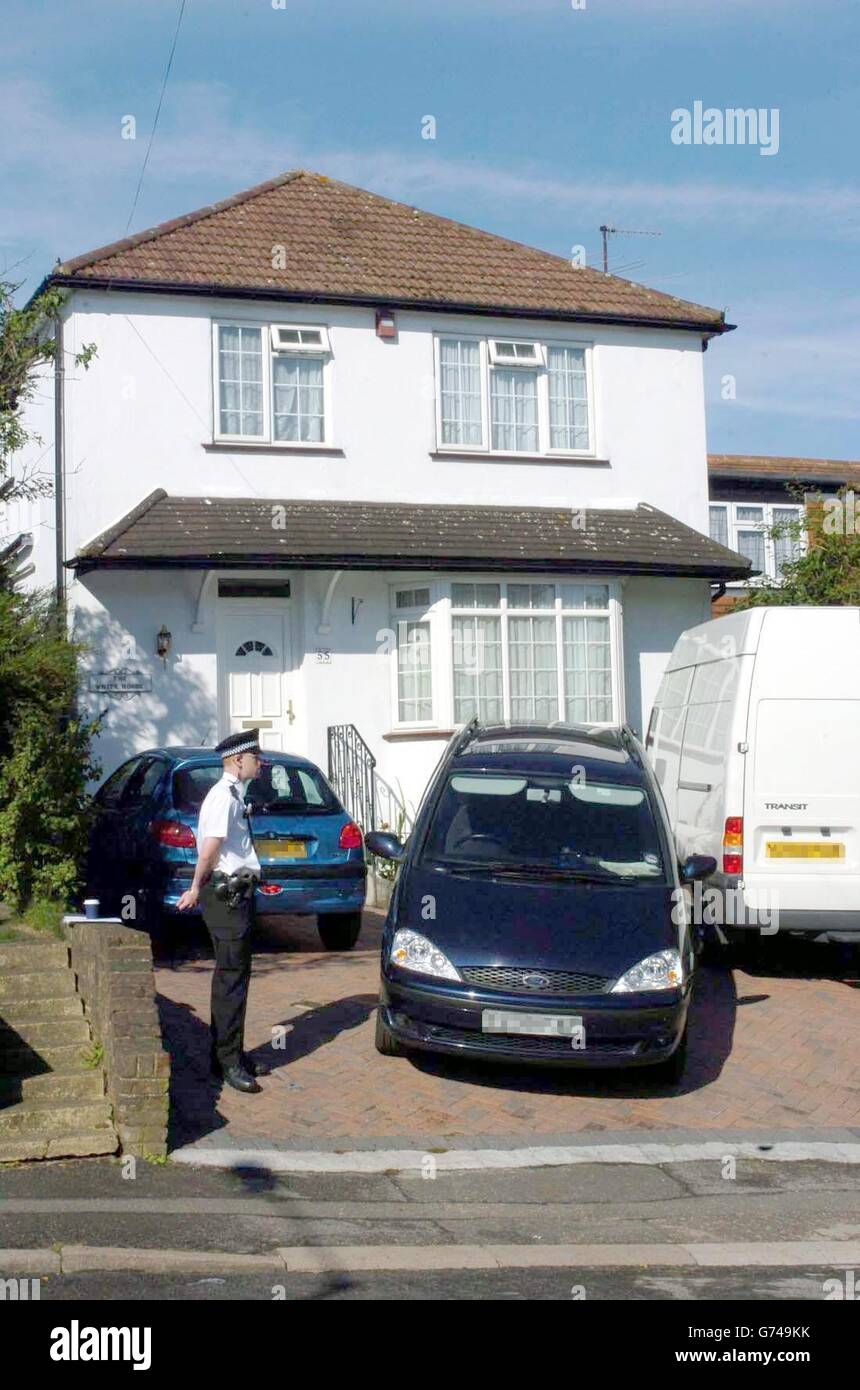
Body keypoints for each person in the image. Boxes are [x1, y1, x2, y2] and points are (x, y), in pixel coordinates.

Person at [176, 729, 266, 1094]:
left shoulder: (233, 794)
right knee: (230, 978)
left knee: (237, 976)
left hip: (237, 894)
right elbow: (209, 851)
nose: (260, 764)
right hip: (225, 896)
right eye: (256, 758)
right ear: (237, 760)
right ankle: (226, 1062)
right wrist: (196, 888)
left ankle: (230, 1052)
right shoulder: (222, 798)